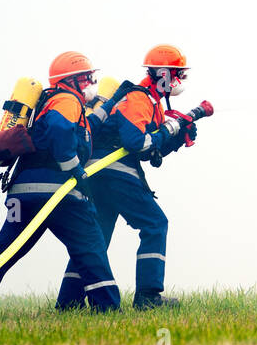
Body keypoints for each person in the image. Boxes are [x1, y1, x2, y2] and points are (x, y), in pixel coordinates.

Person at [0, 51, 122, 320]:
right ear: (73, 81)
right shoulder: (67, 100)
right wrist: (74, 169)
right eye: (88, 78)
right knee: (91, 247)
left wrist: (110, 101)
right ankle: (109, 310)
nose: (92, 83)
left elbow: (84, 127)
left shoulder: (49, 104)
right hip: (59, 195)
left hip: (22, 195)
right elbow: (59, 131)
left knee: (2, 253)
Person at [58, 44, 198, 311]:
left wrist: (176, 138)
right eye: (179, 74)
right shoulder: (139, 98)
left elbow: (150, 152)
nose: (181, 81)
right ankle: (148, 297)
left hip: (98, 175)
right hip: (116, 173)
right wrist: (169, 130)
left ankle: (69, 301)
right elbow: (137, 143)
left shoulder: (147, 100)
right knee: (156, 224)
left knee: (96, 236)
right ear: (164, 74)